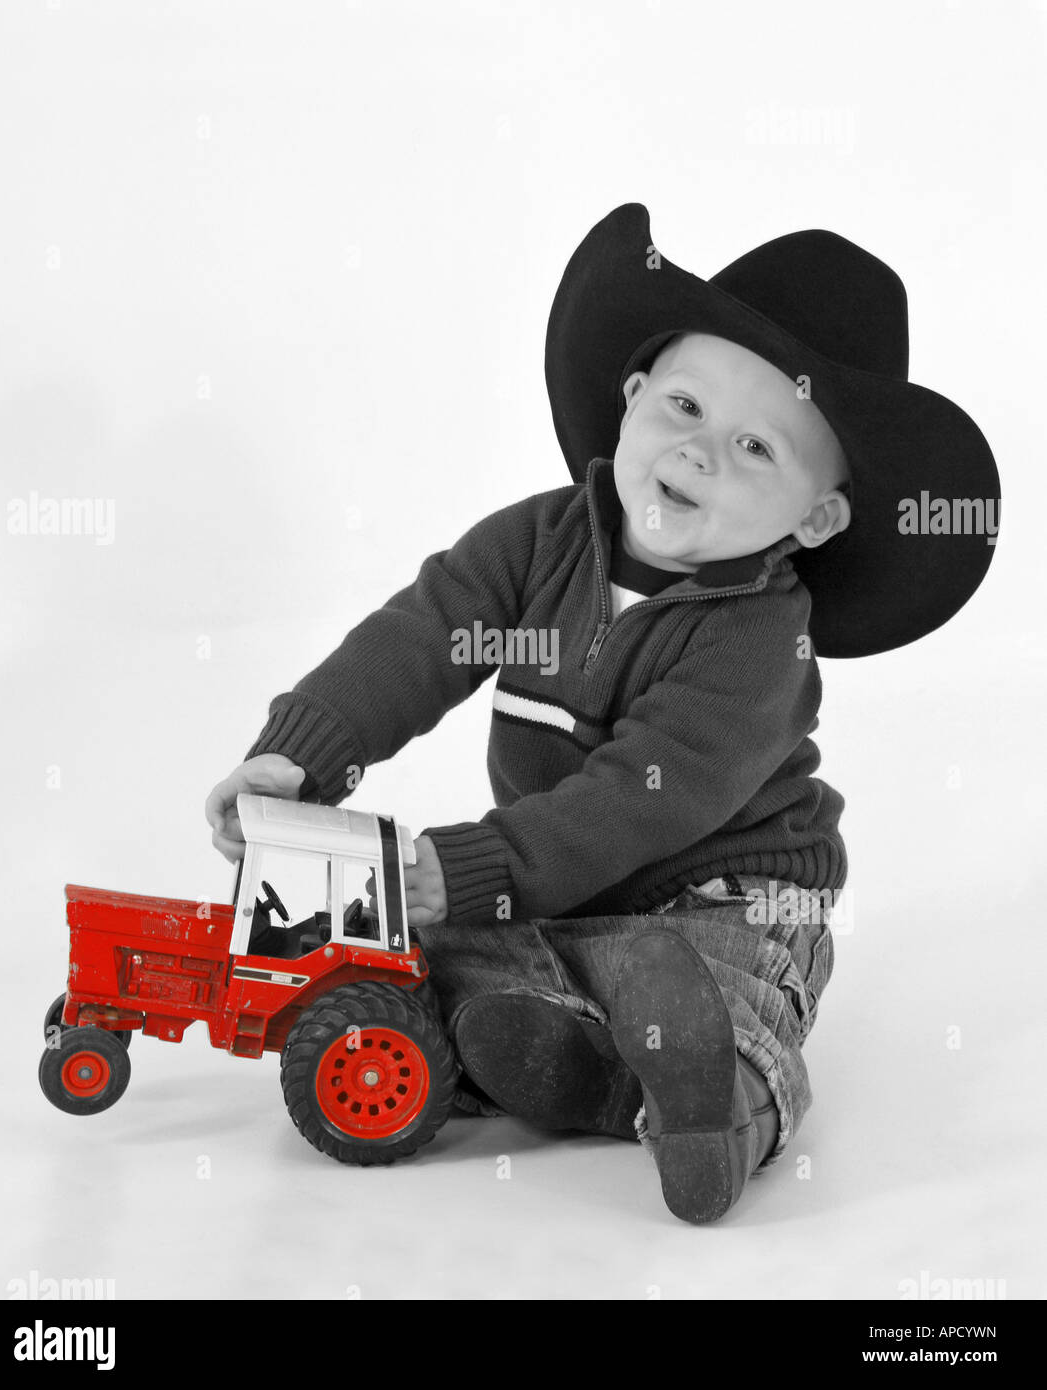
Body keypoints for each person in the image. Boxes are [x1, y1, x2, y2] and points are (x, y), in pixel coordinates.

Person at [205, 204, 1000, 1222]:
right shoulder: (535, 544)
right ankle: (595, 1056)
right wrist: (296, 760)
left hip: (733, 895)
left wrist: (472, 864)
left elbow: (643, 798)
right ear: (629, 402)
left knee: (721, 985)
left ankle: (723, 1095)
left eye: (757, 445)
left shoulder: (760, 637)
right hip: (568, 897)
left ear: (816, 518)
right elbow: (418, 638)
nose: (702, 453)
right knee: (416, 959)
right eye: (683, 406)